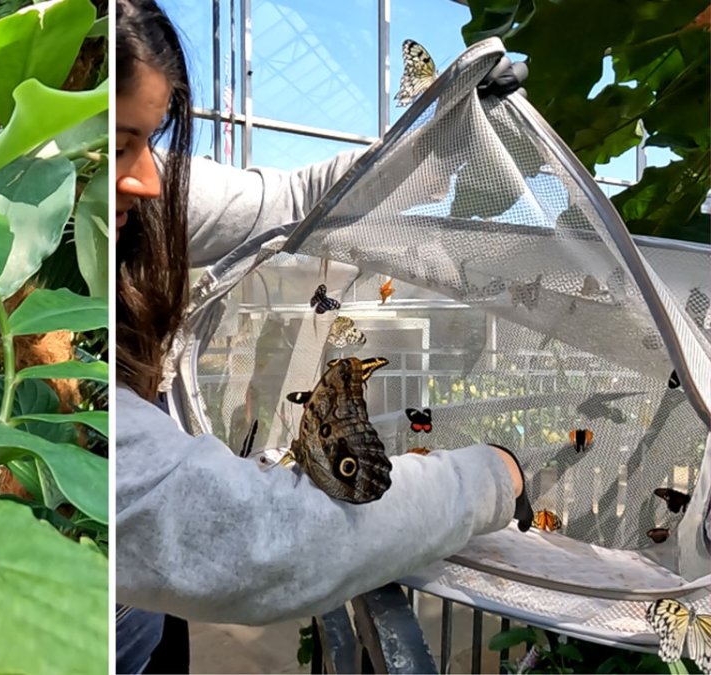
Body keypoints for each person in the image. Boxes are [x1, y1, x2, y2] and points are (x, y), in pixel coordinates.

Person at [114, 0, 531, 672]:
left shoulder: (131, 206)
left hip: (142, 619)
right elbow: (264, 535)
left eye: (151, 140)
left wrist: (434, 139)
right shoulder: (58, 375)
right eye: (119, 143)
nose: (149, 177)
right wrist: (490, 476)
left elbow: (294, 200)